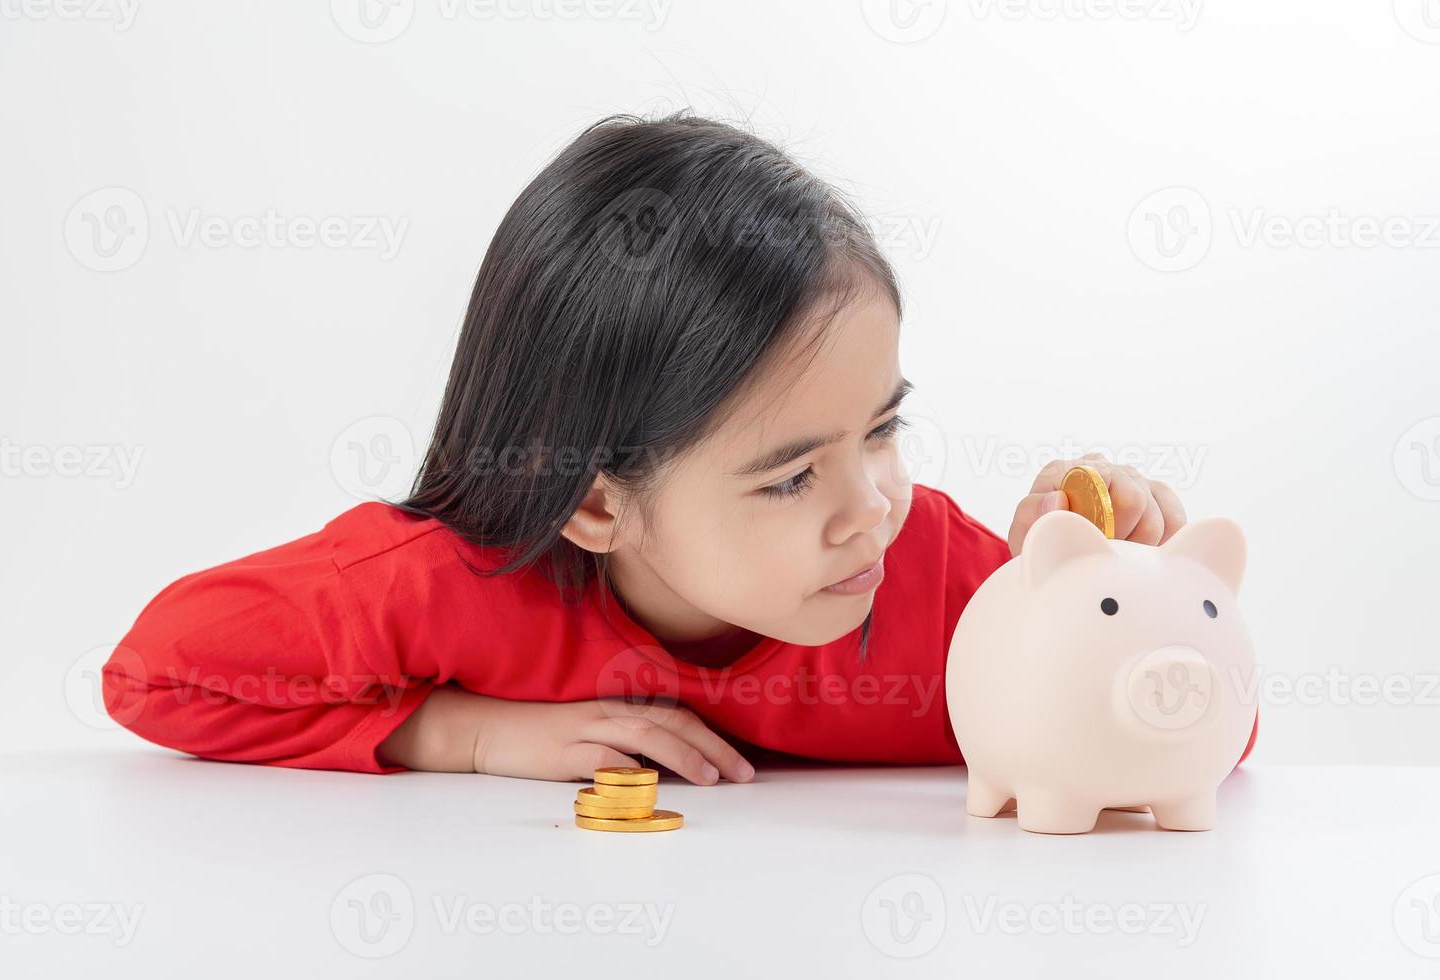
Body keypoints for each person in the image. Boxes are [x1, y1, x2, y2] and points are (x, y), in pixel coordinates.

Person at [102, 111, 1255, 784]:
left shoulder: (945, 586)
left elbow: (1216, 729)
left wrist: (1103, 598)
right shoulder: (447, 585)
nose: (872, 508)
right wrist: (459, 732)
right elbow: (154, 671)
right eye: (792, 474)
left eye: (884, 428)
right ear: (595, 505)